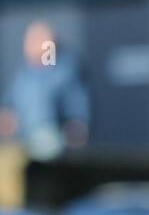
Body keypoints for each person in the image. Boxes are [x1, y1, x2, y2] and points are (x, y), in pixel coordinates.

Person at [0, 21, 90, 159]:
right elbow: (9, 109)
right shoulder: (22, 76)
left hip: (51, 140)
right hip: (22, 140)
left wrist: (77, 126)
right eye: (30, 41)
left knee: (45, 142)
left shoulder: (63, 71)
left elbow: (77, 109)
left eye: (39, 41)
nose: (31, 45)